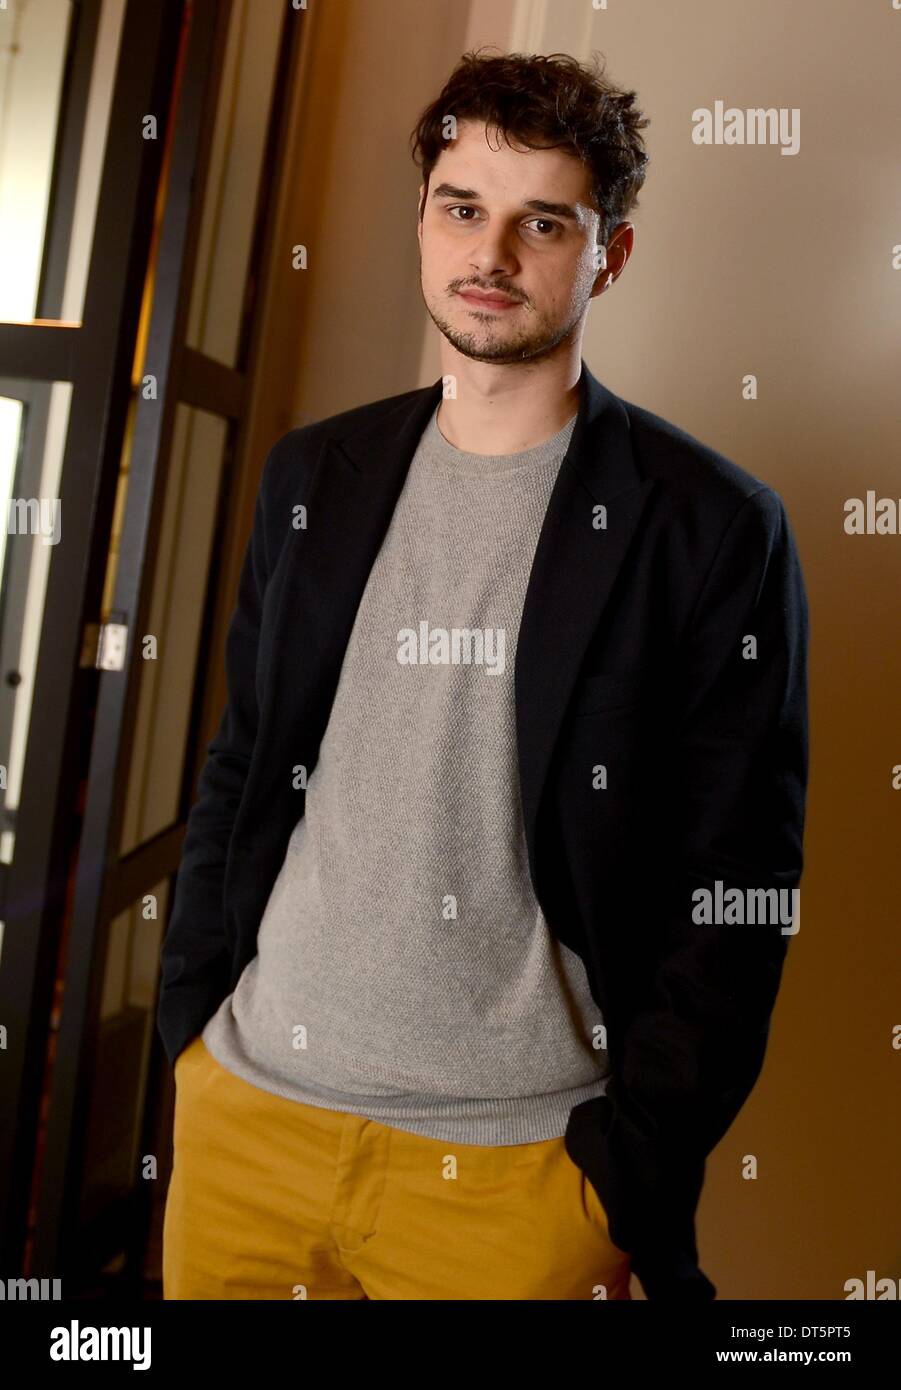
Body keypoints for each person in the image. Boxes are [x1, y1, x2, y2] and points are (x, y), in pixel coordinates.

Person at [159, 49, 809, 1301]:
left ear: (607, 254)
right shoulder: (312, 477)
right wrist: (195, 1032)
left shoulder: (710, 527)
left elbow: (742, 880)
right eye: (462, 207)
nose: (490, 255)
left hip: (514, 1175)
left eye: (542, 222)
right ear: (422, 217)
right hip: (248, 1121)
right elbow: (246, 759)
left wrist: (624, 1177)